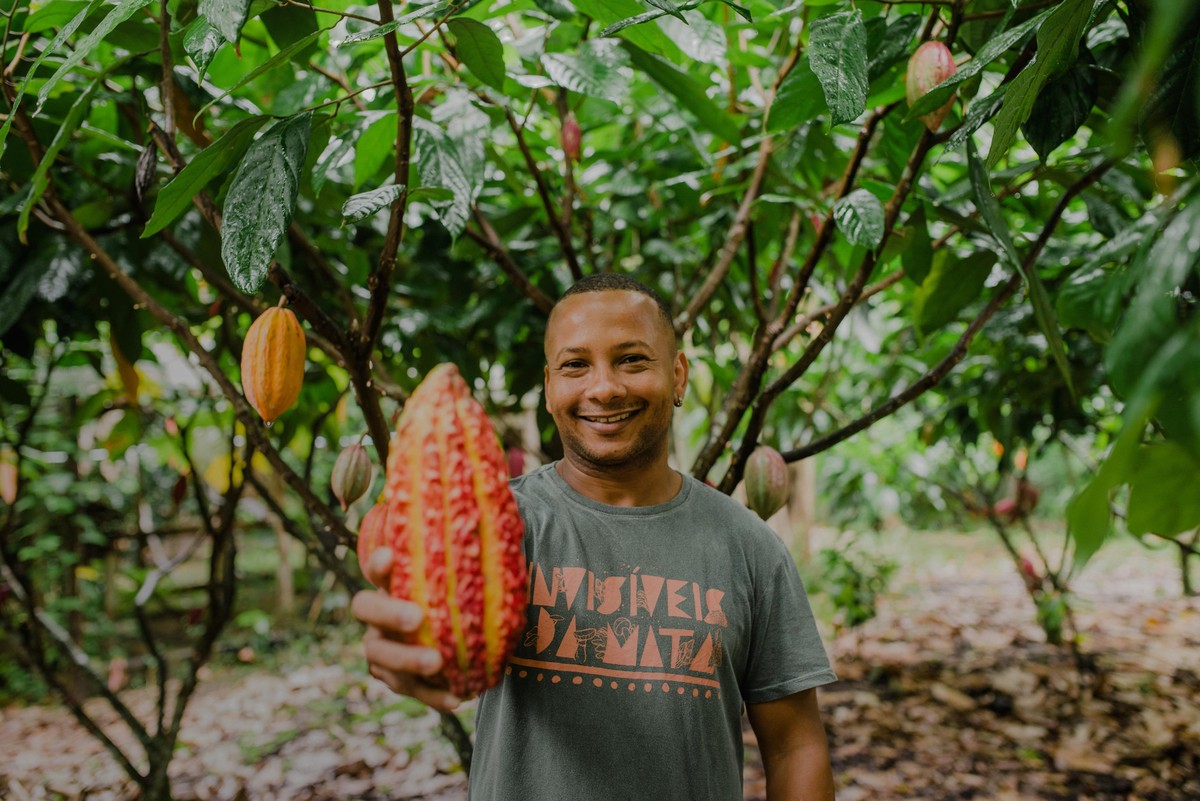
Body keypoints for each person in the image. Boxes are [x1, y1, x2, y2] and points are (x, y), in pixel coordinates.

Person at [352, 274, 838, 800]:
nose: (604, 388)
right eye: (575, 365)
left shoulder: (750, 546)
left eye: (632, 360)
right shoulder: (493, 525)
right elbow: (438, 640)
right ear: (549, 387)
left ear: (677, 375)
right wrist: (413, 653)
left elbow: (795, 747)